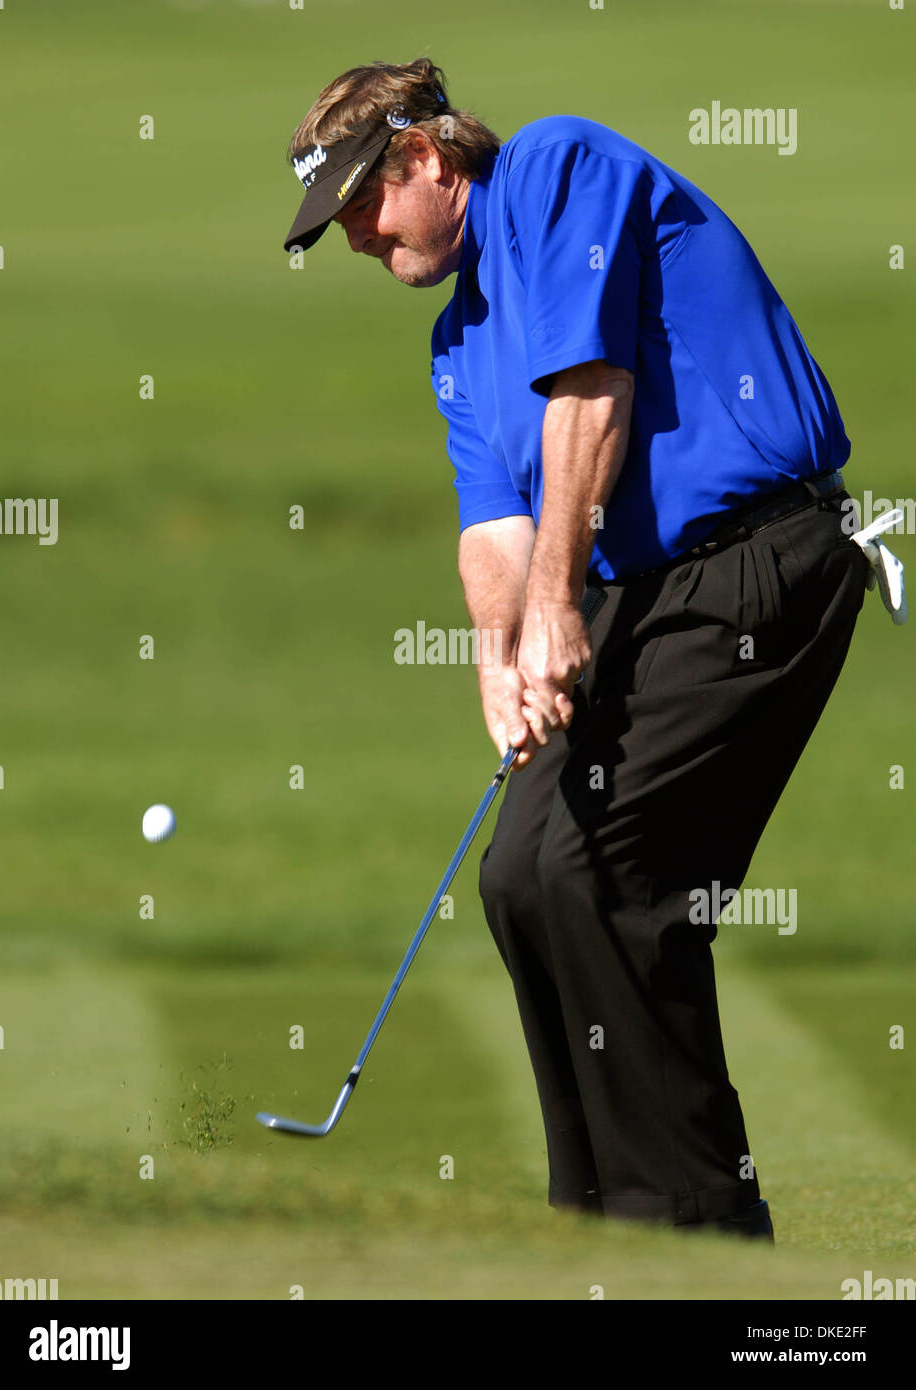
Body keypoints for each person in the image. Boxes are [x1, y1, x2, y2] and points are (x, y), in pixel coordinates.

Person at [281, 57, 873, 1239]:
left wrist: (555, 606)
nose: (349, 234)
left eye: (360, 201)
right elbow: (493, 529)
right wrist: (500, 660)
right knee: (518, 878)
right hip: (633, 592)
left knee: (607, 873)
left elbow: (591, 393)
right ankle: (593, 1223)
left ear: (427, 160)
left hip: (757, 560)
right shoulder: (459, 338)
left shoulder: (556, 165)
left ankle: (695, 1236)